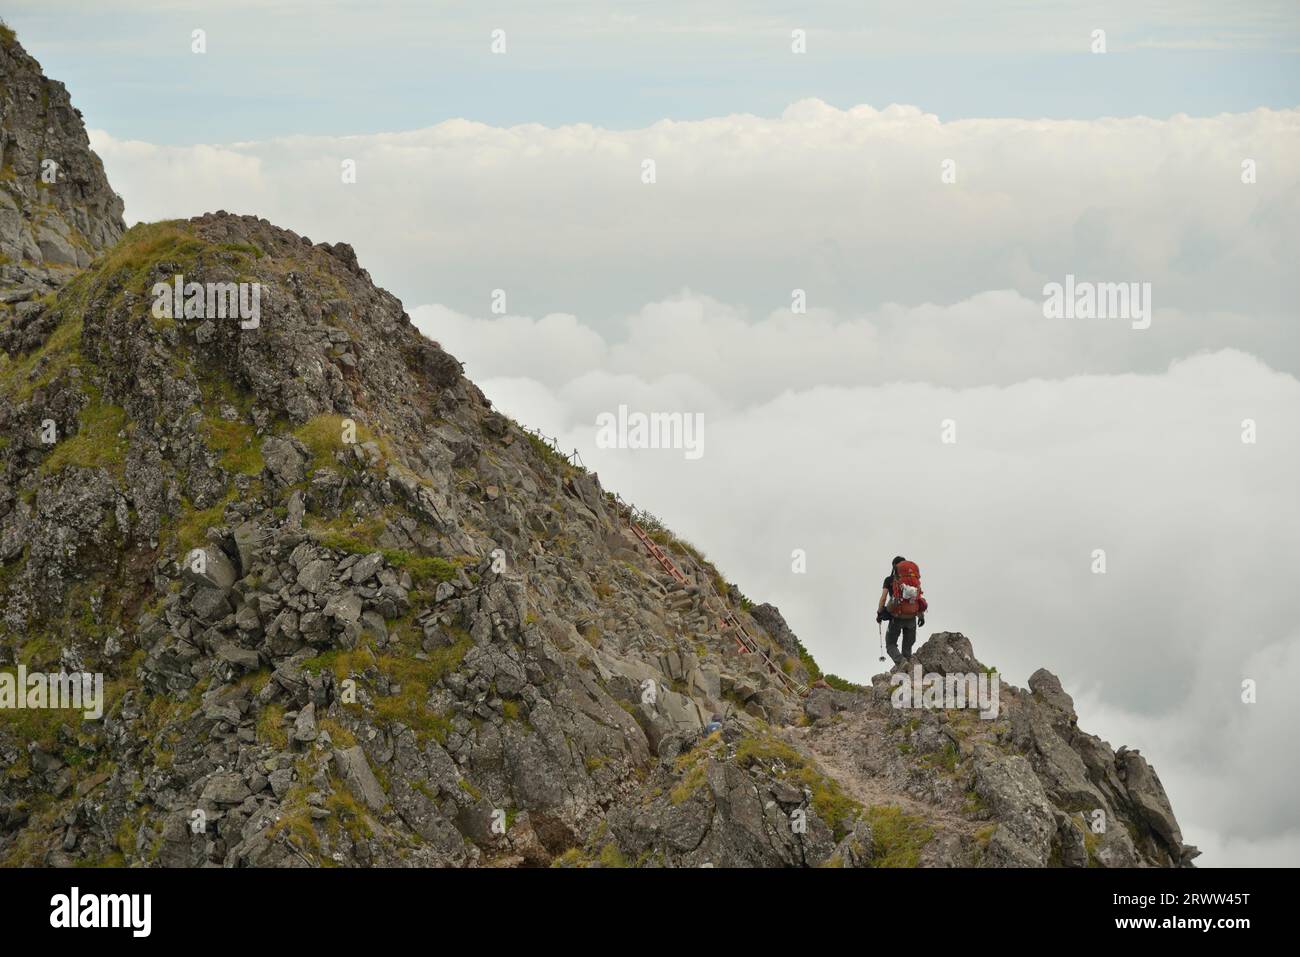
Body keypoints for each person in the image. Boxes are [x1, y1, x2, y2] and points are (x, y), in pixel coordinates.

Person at [876, 555, 926, 665]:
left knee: (890, 644)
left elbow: (883, 598)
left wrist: (879, 613)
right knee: (907, 649)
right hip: (911, 617)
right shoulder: (913, 580)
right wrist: (921, 615)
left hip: (897, 618)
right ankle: (908, 667)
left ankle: (902, 663)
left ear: (894, 567)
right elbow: (917, 598)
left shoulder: (889, 580)